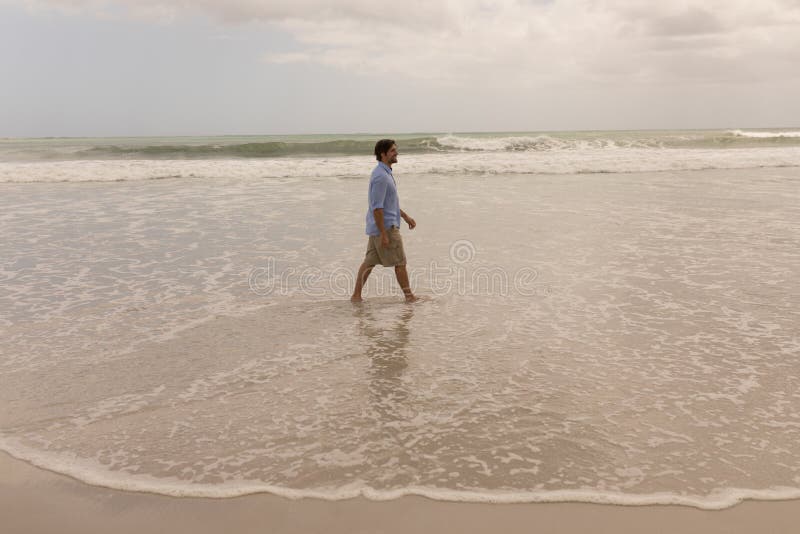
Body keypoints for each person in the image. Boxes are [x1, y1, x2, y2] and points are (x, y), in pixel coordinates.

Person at [350, 139, 418, 303]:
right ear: (383, 154)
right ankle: (410, 297)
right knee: (400, 263)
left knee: (369, 263)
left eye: (396, 150)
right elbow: (377, 208)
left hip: (379, 227)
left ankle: (356, 296)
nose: (396, 153)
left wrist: (405, 216)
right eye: (393, 151)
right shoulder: (381, 177)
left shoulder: (384, 173)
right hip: (386, 228)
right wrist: (384, 234)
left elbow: (388, 204)